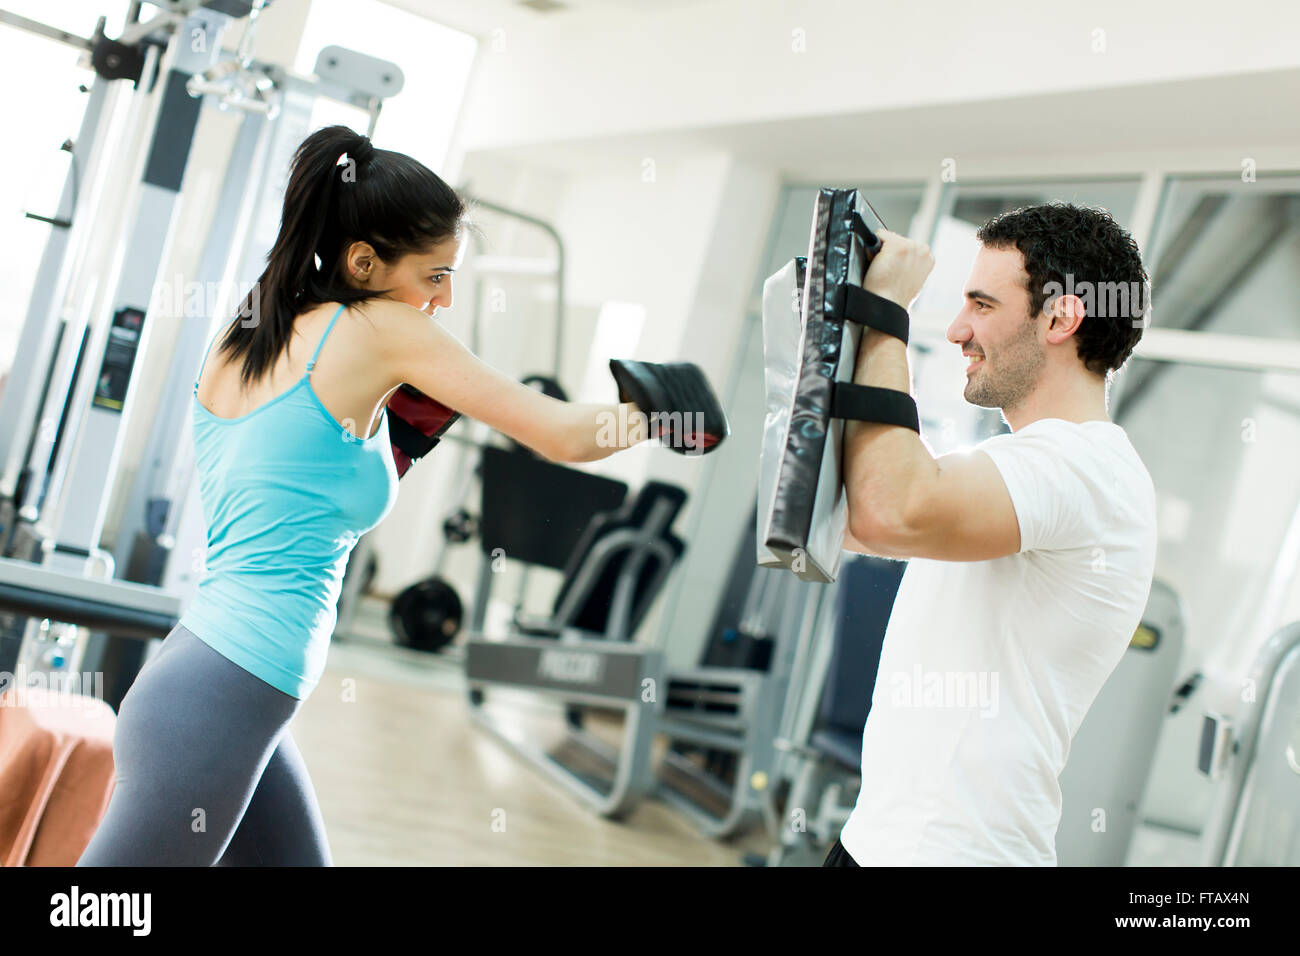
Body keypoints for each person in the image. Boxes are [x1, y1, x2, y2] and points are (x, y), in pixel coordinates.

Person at [78, 125, 725, 866]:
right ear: (364, 262)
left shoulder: (256, 327)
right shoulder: (380, 326)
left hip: (214, 680)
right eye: (435, 275)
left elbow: (298, 484)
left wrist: (399, 444)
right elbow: (563, 436)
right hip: (226, 692)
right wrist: (661, 412)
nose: (442, 300)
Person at [826, 204, 1157, 866]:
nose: (956, 330)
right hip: (884, 841)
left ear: (1061, 318)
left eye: (981, 305)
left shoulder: (1082, 468)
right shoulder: (1021, 468)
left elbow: (893, 509)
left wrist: (885, 310)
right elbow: (856, 517)